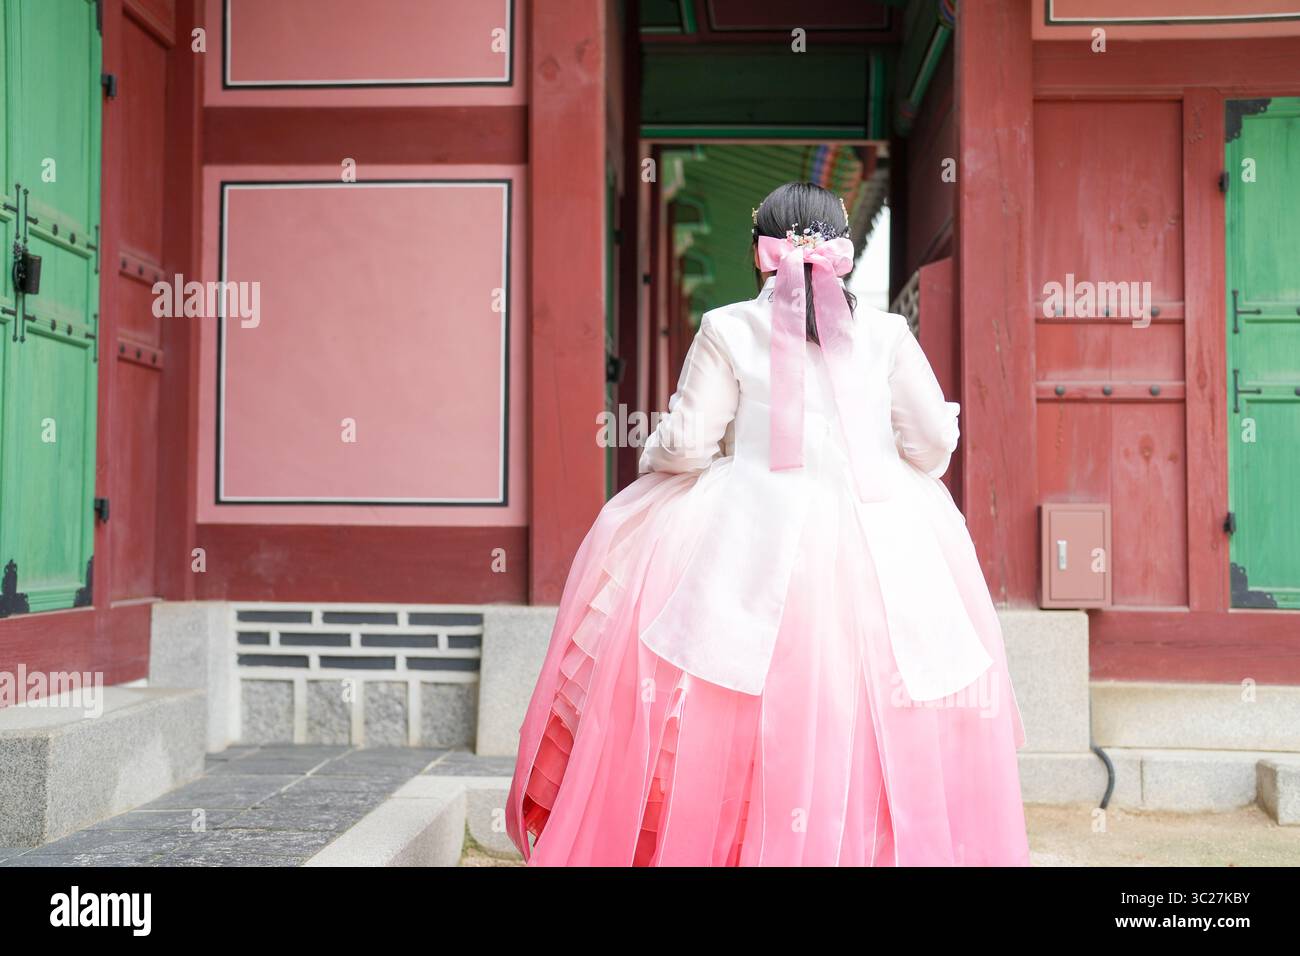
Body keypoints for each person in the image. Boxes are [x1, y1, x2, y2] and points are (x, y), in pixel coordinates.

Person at [505, 181, 1030, 866]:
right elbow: (933, 440)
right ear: (840, 247)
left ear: (761, 253)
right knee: (884, 707)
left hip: (750, 531)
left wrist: (655, 447)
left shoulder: (727, 327)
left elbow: (691, 441)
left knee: (729, 707)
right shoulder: (889, 334)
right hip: (881, 536)